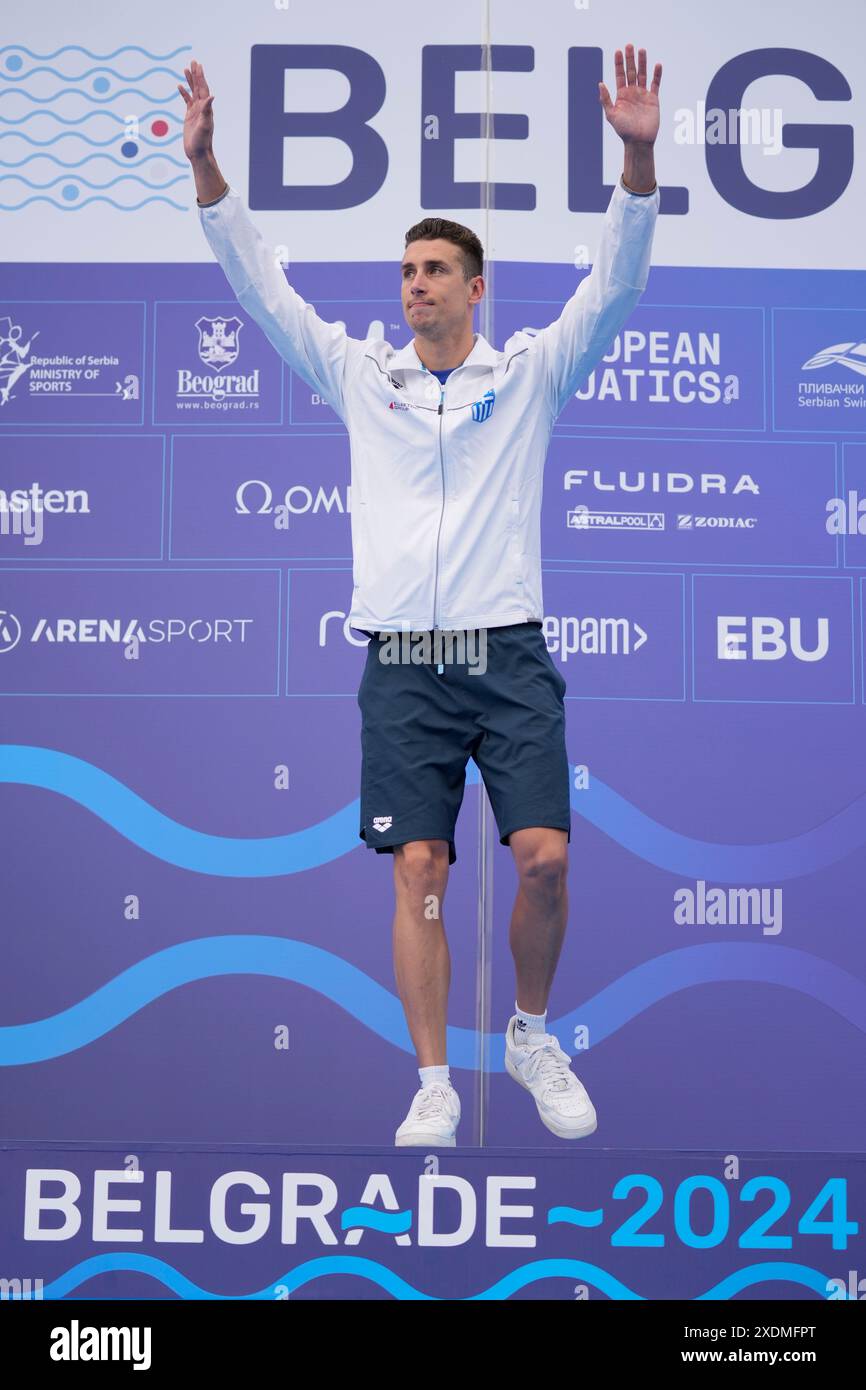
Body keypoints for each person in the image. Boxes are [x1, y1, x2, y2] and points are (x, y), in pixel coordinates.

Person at [179, 46, 661, 1147]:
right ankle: (434, 1078)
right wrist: (207, 171)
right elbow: (260, 287)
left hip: (507, 652)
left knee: (541, 860)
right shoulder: (358, 376)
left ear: (474, 288)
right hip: (401, 662)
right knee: (420, 865)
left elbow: (616, 283)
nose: (415, 286)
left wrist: (635, 164)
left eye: (436, 270)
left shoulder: (529, 372)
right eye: (406, 272)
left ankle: (532, 1033)